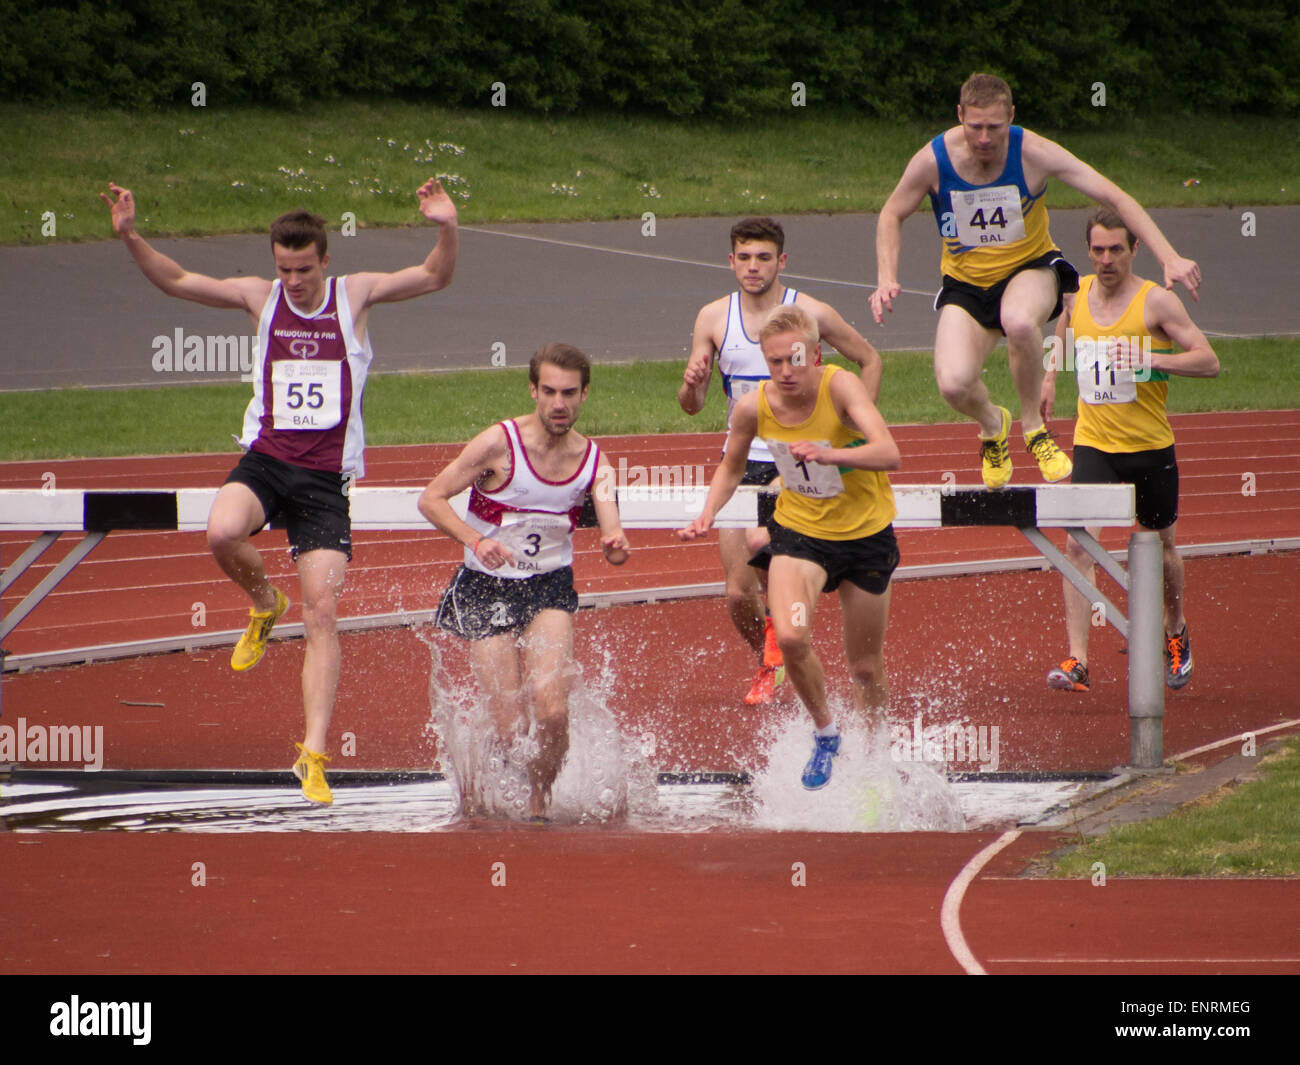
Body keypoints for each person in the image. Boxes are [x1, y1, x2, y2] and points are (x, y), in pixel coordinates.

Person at [100, 177, 459, 805]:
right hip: (267, 461)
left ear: (325, 259)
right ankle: (264, 602)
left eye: (302, 269)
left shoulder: (356, 297)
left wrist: (447, 226)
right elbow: (179, 281)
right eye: (283, 269)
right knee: (221, 531)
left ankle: (314, 755)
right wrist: (132, 237)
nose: (292, 281)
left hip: (325, 481)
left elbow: (434, 276)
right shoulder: (259, 298)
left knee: (323, 613)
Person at [870, 72, 1202, 490]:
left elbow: (1113, 196)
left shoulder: (1034, 153)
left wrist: (1169, 256)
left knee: (1021, 321)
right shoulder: (934, 159)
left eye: (996, 126)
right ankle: (993, 424)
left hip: (1031, 270)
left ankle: (1033, 429)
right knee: (954, 384)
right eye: (975, 127)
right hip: (966, 286)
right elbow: (890, 213)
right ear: (959, 117)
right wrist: (886, 277)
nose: (986, 138)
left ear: (1012, 116)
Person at [678, 305, 900, 791]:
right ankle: (826, 733)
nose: (785, 371)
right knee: (794, 638)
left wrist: (830, 453)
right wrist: (708, 512)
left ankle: (875, 754)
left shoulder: (840, 386)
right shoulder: (753, 406)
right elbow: (732, 466)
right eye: (775, 361)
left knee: (864, 667)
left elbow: (889, 453)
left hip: (864, 536)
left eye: (794, 359)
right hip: (799, 536)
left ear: (816, 354)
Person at [419, 343, 630, 820]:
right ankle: (501, 769)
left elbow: (612, 524)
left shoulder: (595, 461)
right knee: (513, 727)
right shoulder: (498, 444)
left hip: (548, 589)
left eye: (570, 393)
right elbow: (431, 499)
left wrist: (615, 543)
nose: (560, 404)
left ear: (584, 394)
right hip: (486, 589)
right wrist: (476, 540)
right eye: (550, 391)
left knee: (553, 710)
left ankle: (540, 798)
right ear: (534, 390)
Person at [678, 217, 883, 706]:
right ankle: (768, 655)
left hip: (795, 461)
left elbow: (869, 360)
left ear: (781, 261)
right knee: (735, 592)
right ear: (731, 261)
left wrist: (851, 428)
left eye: (763, 257)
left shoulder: (810, 313)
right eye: (744, 257)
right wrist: (691, 382)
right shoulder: (712, 318)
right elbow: (692, 406)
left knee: (766, 549)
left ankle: (791, 652)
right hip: (741, 458)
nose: (753, 267)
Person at [1041, 209, 1219, 693]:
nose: (1105, 259)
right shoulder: (1077, 295)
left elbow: (1209, 361)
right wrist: (1050, 374)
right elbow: (1061, 329)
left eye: (1115, 249)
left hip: (1149, 446)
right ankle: (1079, 659)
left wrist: (1151, 358)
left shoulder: (1156, 303)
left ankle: (1174, 627)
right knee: (1077, 544)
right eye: (1097, 250)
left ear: (1134, 249)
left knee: (1160, 548)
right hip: (1094, 441)